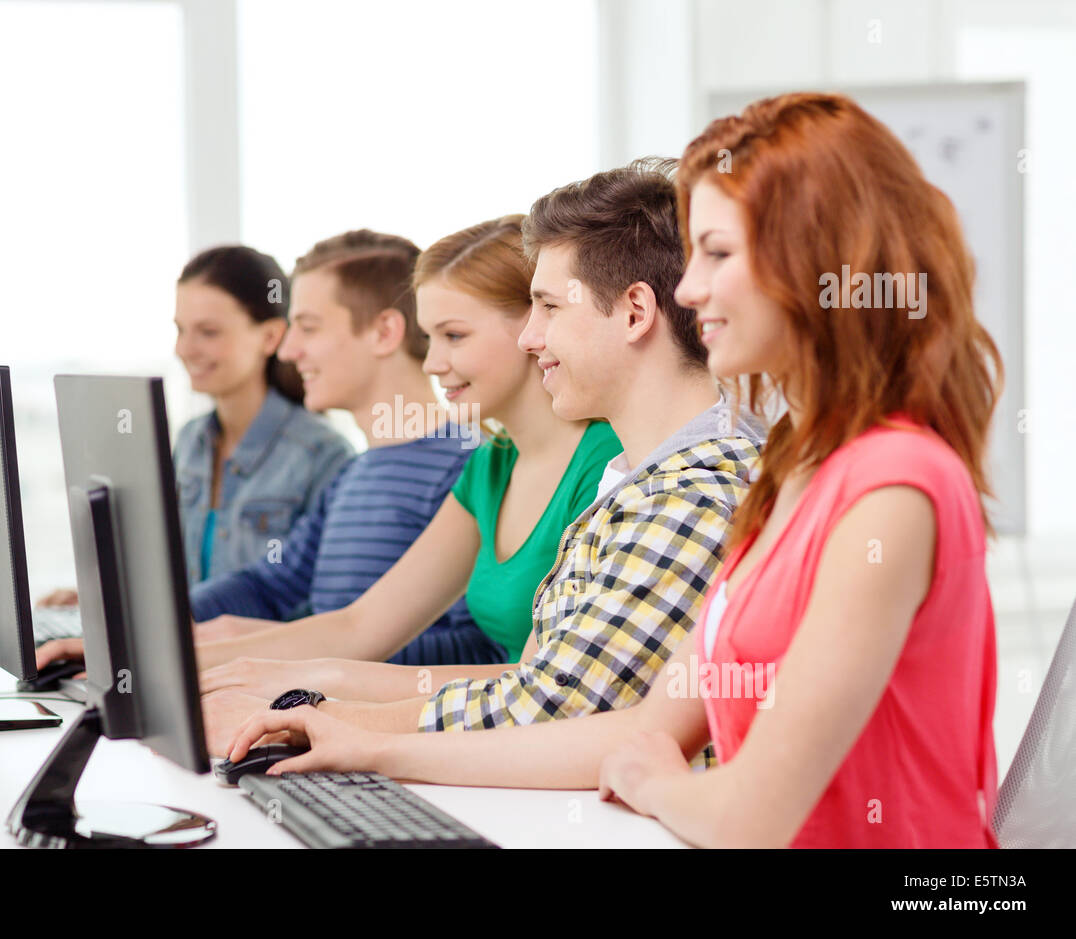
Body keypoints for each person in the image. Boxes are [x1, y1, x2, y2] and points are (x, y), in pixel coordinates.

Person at [229, 95, 1002, 850]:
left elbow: (745, 815)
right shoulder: (794, 471)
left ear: (809, 266)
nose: (691, 290)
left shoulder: (889, 487)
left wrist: (655, 781)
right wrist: (365, 742)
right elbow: (643, 728)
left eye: (719, 255)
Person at [213, 158, 764, 747]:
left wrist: (320, 715)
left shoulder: (695, 491)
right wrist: (302, 691)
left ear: (635, 312)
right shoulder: (624, 478)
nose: (532, 338)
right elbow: (535, 681)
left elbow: (552, 709)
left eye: (548, 308)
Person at [193, 216, 622, 748]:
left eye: (454, 336)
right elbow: (359, 627)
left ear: (533, 326)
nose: (435, 363)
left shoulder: (608, 462)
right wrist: (169, 663)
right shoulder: (491, 466)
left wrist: (320, 690)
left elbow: (544, 689)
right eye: (431, 337)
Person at [38, 229, 503, 671]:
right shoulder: (355, 474)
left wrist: (275, 652)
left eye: (308, 327)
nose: (288, 350)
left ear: (384, 332)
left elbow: (476, 653)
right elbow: (270, 584)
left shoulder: (465, 468)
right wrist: (140, 629)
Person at [36, 245, 353, 611]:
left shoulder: (323, 455)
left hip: (259, 663)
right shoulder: (191, 441)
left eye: (208, 332)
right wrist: (100, 601)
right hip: (192, 658)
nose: (184, 348)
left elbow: (327, 613)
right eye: (181, 330)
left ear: (270, 336)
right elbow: (173, 582)